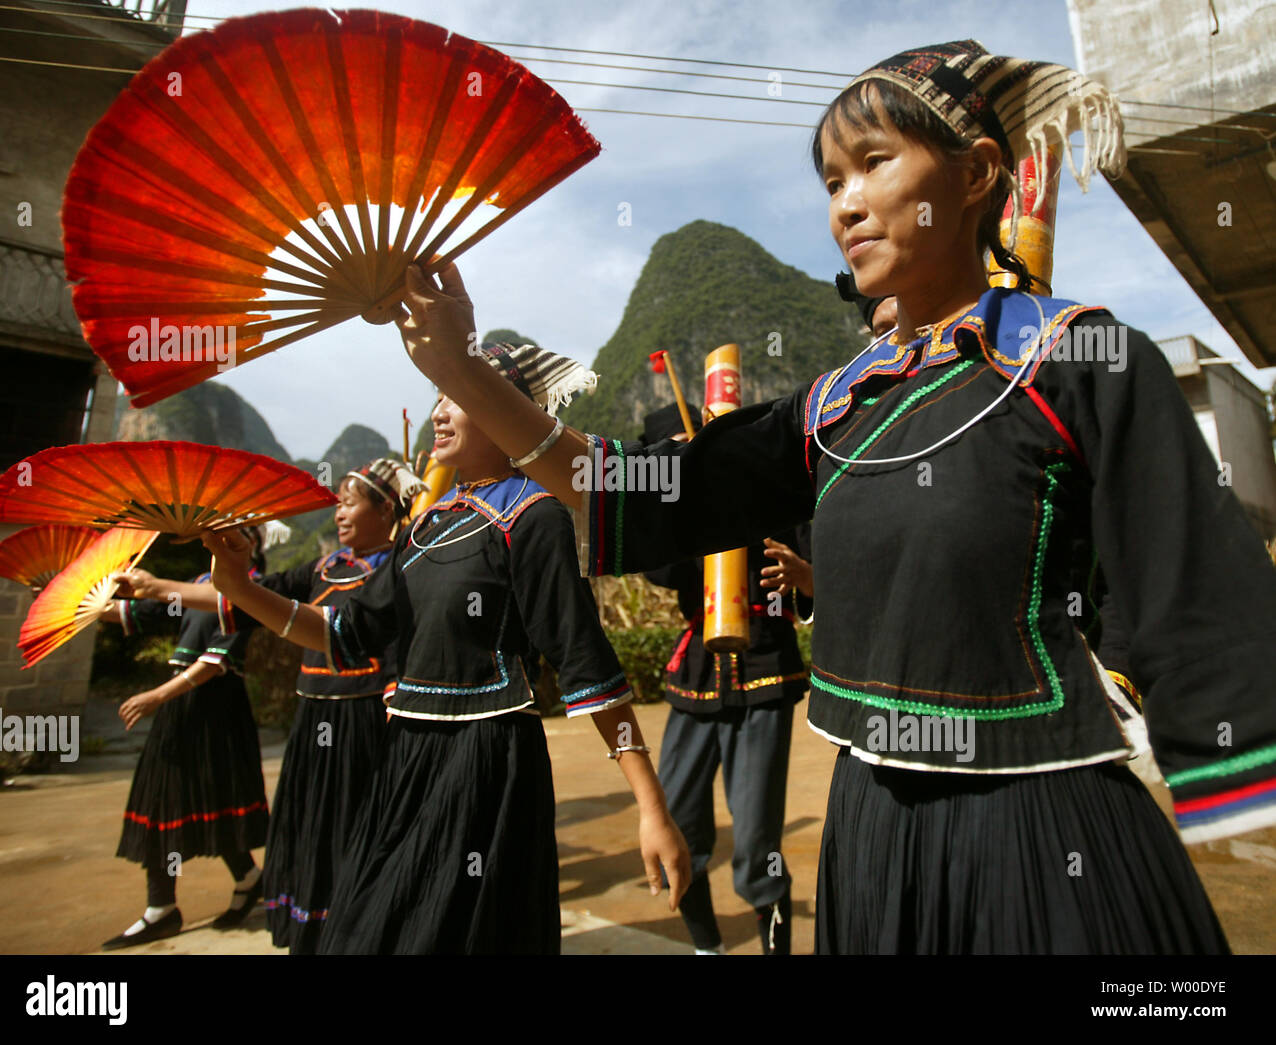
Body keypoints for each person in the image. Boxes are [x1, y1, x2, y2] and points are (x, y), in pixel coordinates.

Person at [394, 40, 1276, 954]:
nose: (845, 203)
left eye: (874, 163)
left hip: (1041, 822)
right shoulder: (829, 410)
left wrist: (1210, 758)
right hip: (872, 829)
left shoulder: (1080, 361)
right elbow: (638, 490)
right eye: (830, 181)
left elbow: (1197, 603)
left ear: (977, 173)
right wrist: (463, 370)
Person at [202, 343, 690, 954]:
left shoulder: (533, 517)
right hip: (404, 757)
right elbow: (342, 633)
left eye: (455, 396)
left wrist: (651, 806)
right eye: (438, 396)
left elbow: (584, 663)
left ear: (502, 408)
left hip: (484, 762)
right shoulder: (428, 525)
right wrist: (238, 587)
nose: (439, 412)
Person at [114, 459, 423, 953]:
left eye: (350, 503)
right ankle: (316, 931)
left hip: (365, 721)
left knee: (357, 827)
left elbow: (400, 651)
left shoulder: (399, 568)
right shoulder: (323, 568)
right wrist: (159, 588)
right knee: (312, 827)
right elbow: (247, 598)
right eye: (338, 503)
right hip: (314, 719)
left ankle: (362, 930)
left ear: (386, 509)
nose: (339, 513)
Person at [641, 402, 812, 955]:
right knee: (679, 823)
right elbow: (660, 568)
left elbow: (818, 572)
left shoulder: (777, 492)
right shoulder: (675, 510)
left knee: (758, 840)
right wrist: (679, 498)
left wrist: (805, 577)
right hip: (696, 679)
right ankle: (705, 946)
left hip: (764, 672)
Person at [99, 530, 270, 950]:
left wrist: (158, 695)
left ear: (249, 544)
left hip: (215, 706)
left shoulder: (251, 589)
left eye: (230, 533)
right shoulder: (196, 585)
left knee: (200, 798)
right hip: (182, 703)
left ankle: (166, 908)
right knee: (177, 798)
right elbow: (143, 613)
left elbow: (215, 661)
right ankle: (240, 881)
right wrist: (79, 605)